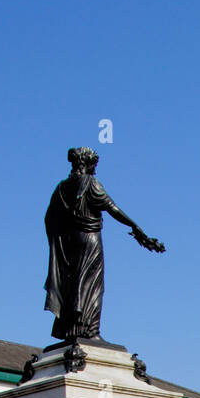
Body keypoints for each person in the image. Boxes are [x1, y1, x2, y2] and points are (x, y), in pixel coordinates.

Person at [44, 147, 164, 344]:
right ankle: (91, 331)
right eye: (94, 165)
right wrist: (136, 228)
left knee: (75, 285)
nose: (95, 170)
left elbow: (49, 219)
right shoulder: (90, 183)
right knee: (92, 285)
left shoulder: (60, 188)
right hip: (89, 240)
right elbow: (112, 208)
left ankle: (74, 330)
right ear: (86, 163)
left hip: (69, 243)